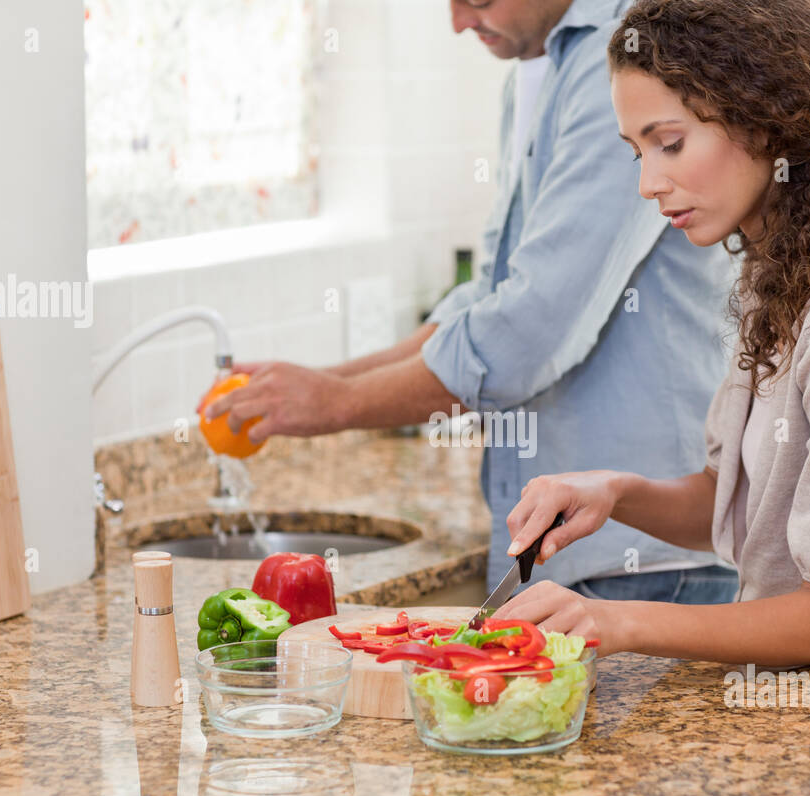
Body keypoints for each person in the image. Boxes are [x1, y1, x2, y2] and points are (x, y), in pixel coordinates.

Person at [204, 0, 740, 607]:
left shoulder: (624, 63)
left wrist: (338, 402)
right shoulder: (536, 73)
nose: (459, 22)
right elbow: (490, 294)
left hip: (645, 569)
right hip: (573, 562)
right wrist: (315, 384)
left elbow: (528, 330)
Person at [496, 0, 810, 665]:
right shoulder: (781, 270)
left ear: (767, 116)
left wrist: (615, 622)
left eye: (669, 144)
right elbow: (738, 507)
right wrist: (613, 494)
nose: (647, 183)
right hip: (804, 715)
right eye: (636, 152)